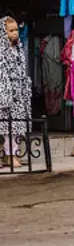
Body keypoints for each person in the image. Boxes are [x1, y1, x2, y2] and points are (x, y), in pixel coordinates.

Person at [0, 16, 31, 168]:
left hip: (18, 94)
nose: (15, 33)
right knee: (4, 127)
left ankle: (12, 154)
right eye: (10, 31)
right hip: (4, 94)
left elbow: (22, 70)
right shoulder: (1, 51)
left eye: (16, 30)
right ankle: (5, 155)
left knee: (15, 127)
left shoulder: (18, 49)